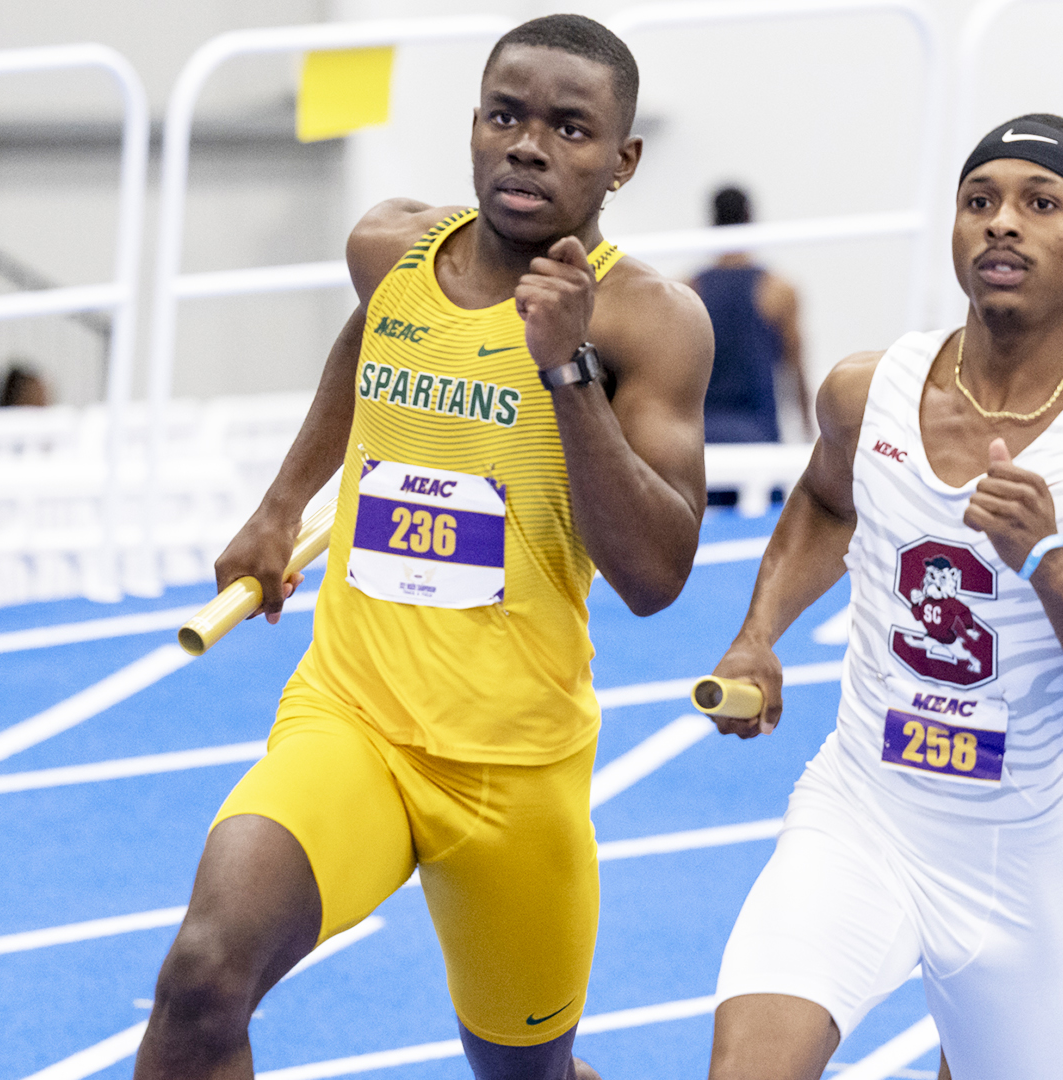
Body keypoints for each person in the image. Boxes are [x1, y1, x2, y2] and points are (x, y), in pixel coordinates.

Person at [132, 15, 712, 1080]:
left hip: (514, 768)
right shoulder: (390, 249)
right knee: (202, 977)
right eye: (506, 116)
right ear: (477, 126)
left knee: (527, 1075)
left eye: (571, 129)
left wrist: (565, 369)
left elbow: (656, 578)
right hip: (352, 721)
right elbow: (371, 340)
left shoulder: (649, 322)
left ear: (624, 160)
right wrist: (282, 501)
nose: (529, 145)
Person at [703, 114, 1063, 1080]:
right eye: (979, 202)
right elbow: (823, 500)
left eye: (1038, 203)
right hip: (861, 812)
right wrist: (756, 637)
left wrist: (1052, 564)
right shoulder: (870, 390)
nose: (1001, 225)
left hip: (1014, 864)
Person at [691, 186, 807, 443]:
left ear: (712, 222)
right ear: (749, 218)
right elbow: (795, 367)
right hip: (758, 434)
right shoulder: (778, 290)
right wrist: (809, 431)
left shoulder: (687, 290)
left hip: (702, 437)